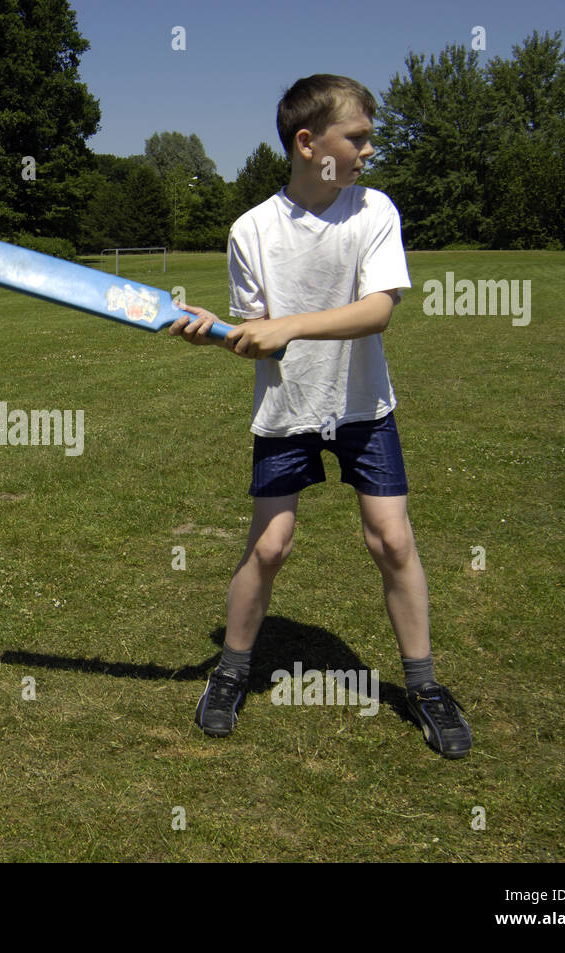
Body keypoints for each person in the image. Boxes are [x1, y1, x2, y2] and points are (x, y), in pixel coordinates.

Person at [171, 74, 470, 758]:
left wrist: (289, 327)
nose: (368, 150)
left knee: (392, 540)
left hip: (364, 406)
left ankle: (423, 686)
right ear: (309, 143)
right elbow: (260, 334)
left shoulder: (373, 212)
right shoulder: (251, 229)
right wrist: (218, 331)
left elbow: (379, 311)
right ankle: (231, 672)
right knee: (270, 546)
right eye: (357, 137)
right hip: (287, 407)